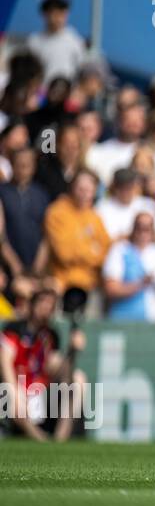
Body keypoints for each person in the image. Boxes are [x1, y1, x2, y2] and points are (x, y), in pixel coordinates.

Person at [0, 285, 87, 441]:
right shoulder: (15, 329)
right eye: (43, 302)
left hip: (40, 393)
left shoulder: (51, 336)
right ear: (32, 304)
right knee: (13, 394)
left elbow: (60, 372)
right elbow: (5, 363)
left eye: (51, 304)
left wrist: (72, 351)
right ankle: (40, 440)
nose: (46, 308)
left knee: (79, 379)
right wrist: (14, 391)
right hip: (15, 390)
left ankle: (60, 440)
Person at [43, 168, 110, 303]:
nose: (85, 195)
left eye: (89, 190)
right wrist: (91, 249)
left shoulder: (95, 216)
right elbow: (64, 254)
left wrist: (79, 248)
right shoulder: (57, 212)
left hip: (91, 284)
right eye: (81, 189)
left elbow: (105, 253)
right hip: (63, 284)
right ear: (72, 188)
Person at [102, 212, 155, 322]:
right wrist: (141, 284)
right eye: (139, 228)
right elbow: (111, 288)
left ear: (153, 231)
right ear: (133, 228)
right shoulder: (120, 250)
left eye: (147, 229)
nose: (143, 233)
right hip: (124, 319)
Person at [0, 147, 50, 278]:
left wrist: (39, 264)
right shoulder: (2, 192)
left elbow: (46, 234)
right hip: (7, 266)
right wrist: (14, 264)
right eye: (19, 164)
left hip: (35, 265)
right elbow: (1, 234)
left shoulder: (42, 194)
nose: (23, 168)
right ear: (11, 164)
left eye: (27, 164)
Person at [24, 0, 86, 84]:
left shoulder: (74, 39)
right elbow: (29, 71)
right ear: (44, 14)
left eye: (61, 13)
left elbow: (81, 68)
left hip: (66, 92)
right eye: (53, 13)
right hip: (42, 93)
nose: (57, 18)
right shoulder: (34, 41)